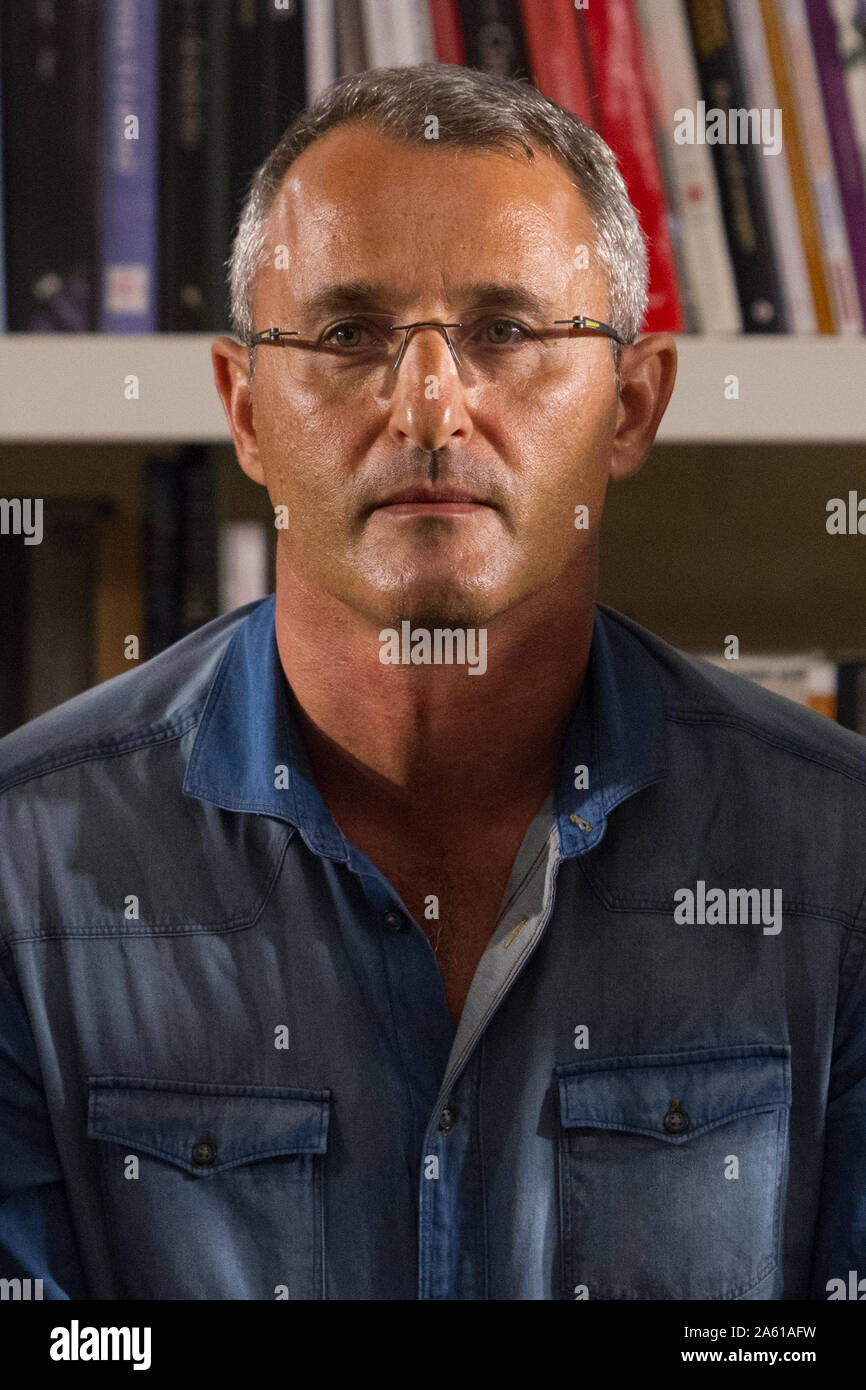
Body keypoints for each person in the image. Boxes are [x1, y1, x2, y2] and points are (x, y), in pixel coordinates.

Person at [1, 63, 864, 1302]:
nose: (428, 409)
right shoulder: (21, 875)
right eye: (348, 333)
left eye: (505, 331)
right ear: (244, 410)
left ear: (630, 404)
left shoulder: (837, 866)